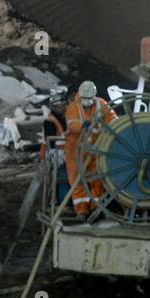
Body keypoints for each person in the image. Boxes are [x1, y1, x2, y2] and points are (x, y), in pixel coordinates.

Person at [63, 80, 110, 218]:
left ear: (94, 96)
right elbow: (71, 123)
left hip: (96, 149)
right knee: (77, 180)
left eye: (90, 99)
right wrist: (82, 125)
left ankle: (96, 208)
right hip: (76, 150)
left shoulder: (101, 104)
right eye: (85, 99)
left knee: (97, 179)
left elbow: (112, 118)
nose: (87, 102)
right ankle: (81, 210)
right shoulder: (73, 107)